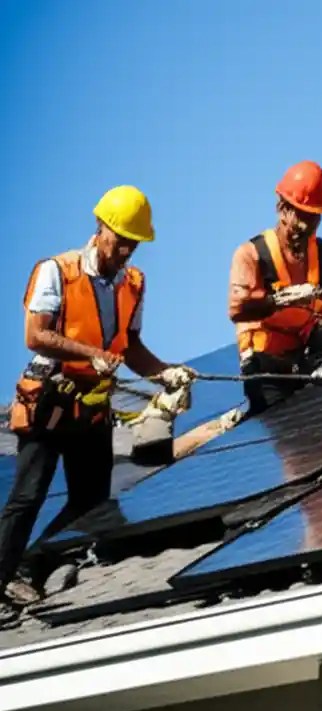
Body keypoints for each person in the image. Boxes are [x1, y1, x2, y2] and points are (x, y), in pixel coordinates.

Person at [0, 186, 195, 608]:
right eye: (120, 238)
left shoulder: (134, 285)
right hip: (50, 400)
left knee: (91, 502)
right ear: (100, 227)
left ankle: (31, 562)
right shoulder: (58, 271)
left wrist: (166, 374)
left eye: (134, 243)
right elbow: (36, 335)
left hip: (91, 407)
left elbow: (133, 348)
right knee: (28, 496)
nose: (126, 250)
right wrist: (93, 355)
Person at [229, 161, 322, 417]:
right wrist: (280, 299)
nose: (305, 226)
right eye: (300, 215)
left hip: (309, 353)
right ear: (281, 209)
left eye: (313, 218)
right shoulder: (251, 255)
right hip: (267, 363)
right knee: (283, 424)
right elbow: (236, 309)